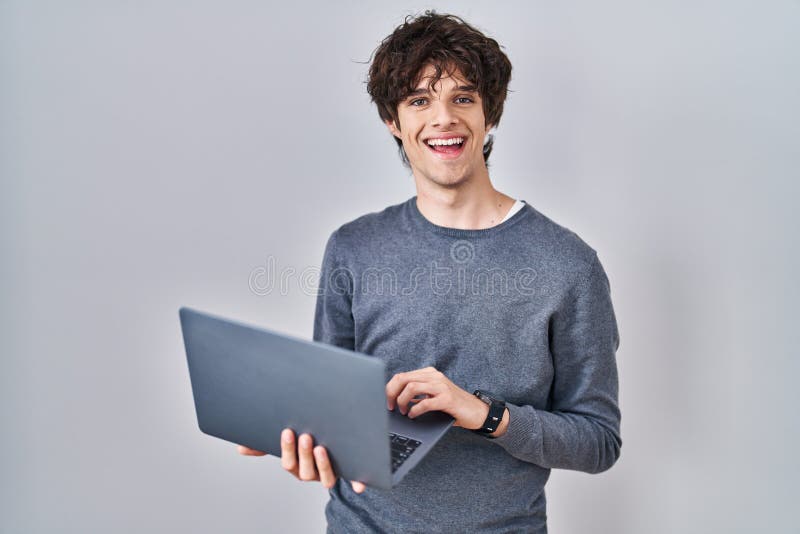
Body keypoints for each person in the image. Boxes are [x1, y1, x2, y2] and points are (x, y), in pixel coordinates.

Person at [238, 11, 621, 533]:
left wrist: (485, 414)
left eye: (462, 98)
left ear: (491, 114)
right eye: (420, 100)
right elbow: (333, 407)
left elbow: (598, 441)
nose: (443, 118)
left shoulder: (567, 263)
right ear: (393, 121)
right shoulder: (353, 247)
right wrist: (288, 431)